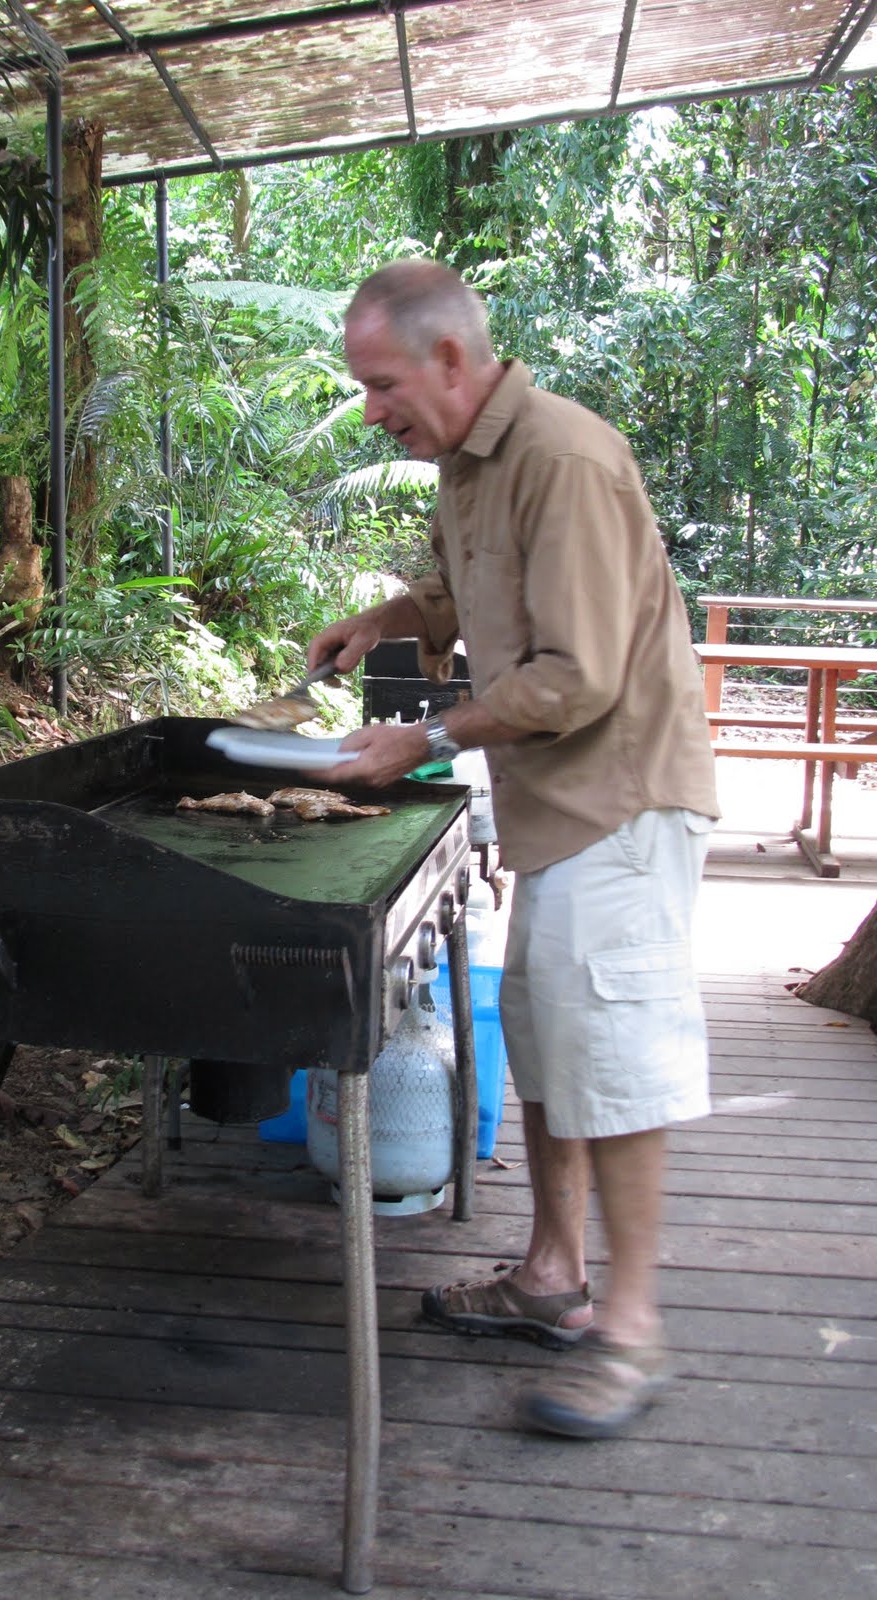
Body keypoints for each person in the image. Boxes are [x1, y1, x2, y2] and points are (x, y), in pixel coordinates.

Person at [308, 260, 719, 1440]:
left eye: (381, 384)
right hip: (559, 811)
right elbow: (467, 594)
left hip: (624, 798)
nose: (374, 409)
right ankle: (550, 1275)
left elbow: (575, 675)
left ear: (450, 359)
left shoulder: (565, 456)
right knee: (550, 1043)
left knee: (615, 1062)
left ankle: (631, 1332)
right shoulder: (468, 465)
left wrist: (422, 735)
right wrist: (387, 619)